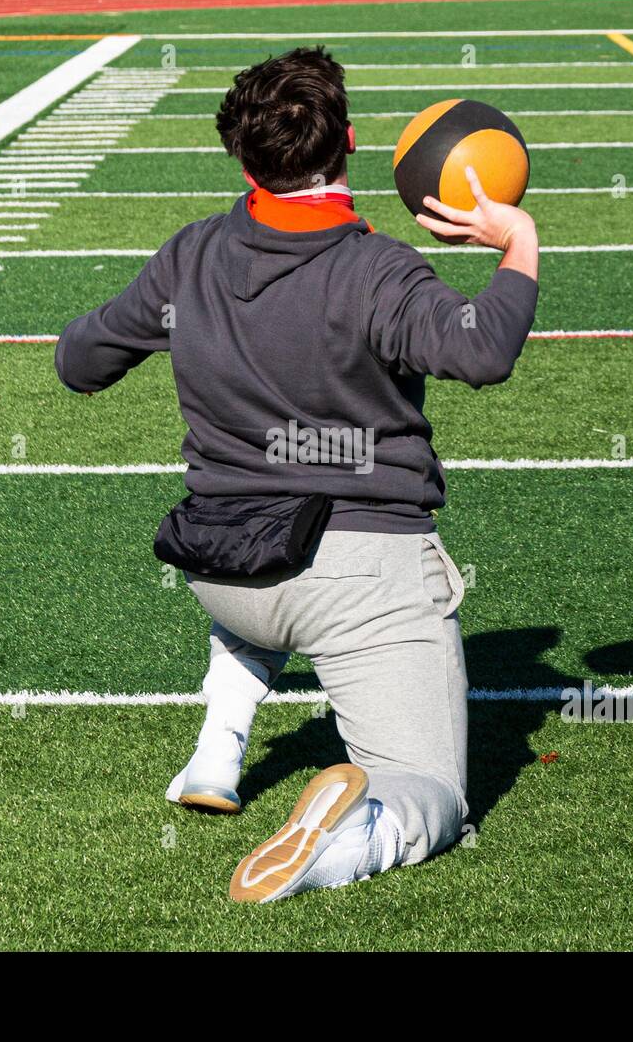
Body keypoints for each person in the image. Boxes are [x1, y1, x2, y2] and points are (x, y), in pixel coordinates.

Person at [55, 47, 538, 903]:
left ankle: (219, 745)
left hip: (226, 572)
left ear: (243, 160)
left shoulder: (190, 255)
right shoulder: (378, 270)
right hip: (349, 575)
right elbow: (482, 349)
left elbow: (80, 362)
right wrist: (518, 244)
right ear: (348, 143)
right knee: (435, 793)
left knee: (261, 534)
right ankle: (345, 842)